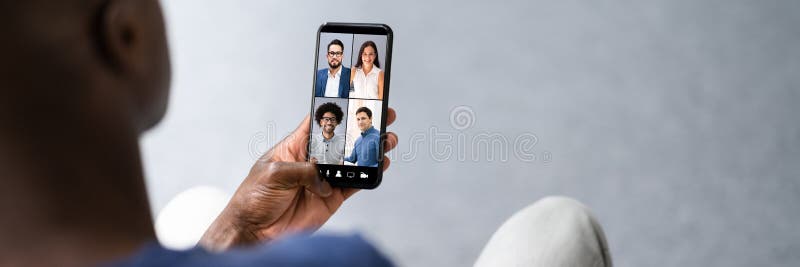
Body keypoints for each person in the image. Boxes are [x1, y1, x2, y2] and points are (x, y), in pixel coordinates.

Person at [1, 1, 613, 266]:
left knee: (199, 210)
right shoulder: (337, 264)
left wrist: (232, 232)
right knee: (560, 229)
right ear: (125, 36)